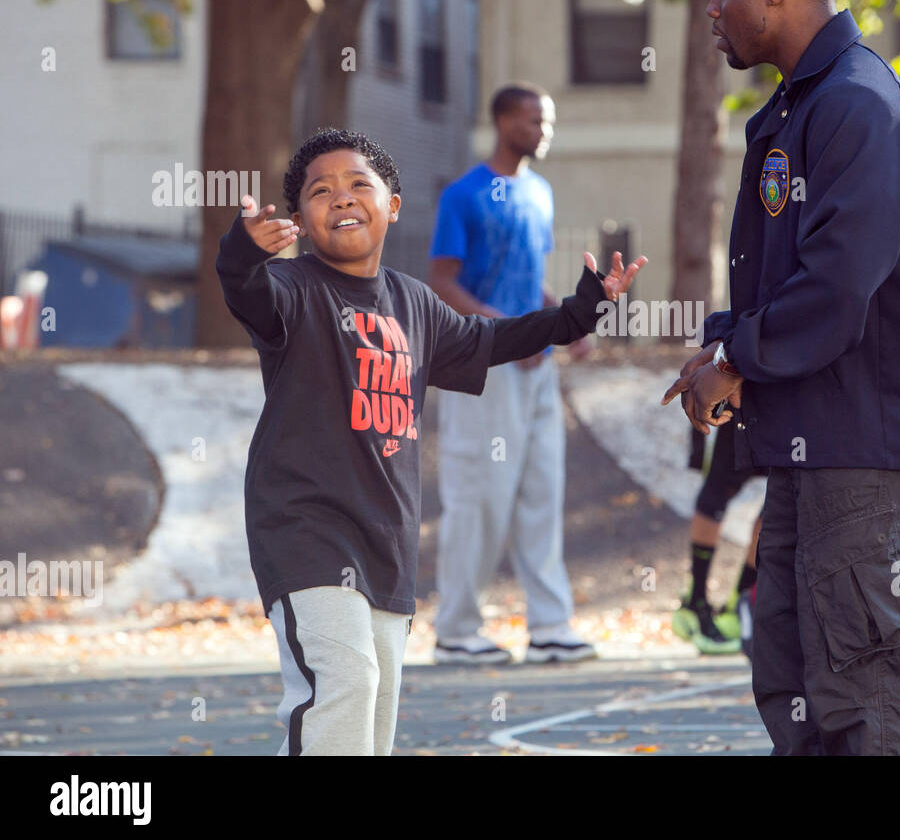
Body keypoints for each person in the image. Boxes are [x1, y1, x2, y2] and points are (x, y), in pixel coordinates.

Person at [663, 0, 900, 756]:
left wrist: (736, 356)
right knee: (794, 681)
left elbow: (837, 291)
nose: (712, 8)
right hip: (815, 439)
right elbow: (780, 273)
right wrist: (724, 342)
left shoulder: (859, 103)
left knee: (861, 687)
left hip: (871, 447)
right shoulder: (796, 107)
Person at [216, 128, 644, 754]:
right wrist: (241, 251)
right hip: (304, 530)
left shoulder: (414, 303)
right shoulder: (292, 291)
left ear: (392, 204)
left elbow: (492, 341)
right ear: (302, 221)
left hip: (386, 539)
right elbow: (243, 289)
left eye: (359, 184)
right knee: (345, 684)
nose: (341, 198)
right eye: (321, 191)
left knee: (370, 715)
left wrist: (577, 314)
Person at [428, 83, 597, 664]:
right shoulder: (463, 195)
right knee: (479, 494)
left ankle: (550, 626)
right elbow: (443, 282)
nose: (542, 131)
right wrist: (509, 331)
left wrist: (564, 325)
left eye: (547, 121)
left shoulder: (540, 193)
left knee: (541, 492)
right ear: (502, 121)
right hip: (483, 365)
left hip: (538, 367)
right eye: (532, 120)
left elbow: (529, 278)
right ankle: (455, 631)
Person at [675, 422, 764, 655]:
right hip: (747, 398)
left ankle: (740, 605)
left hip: (795, 402)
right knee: (719, 490)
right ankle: (695, 603)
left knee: (782, 496)